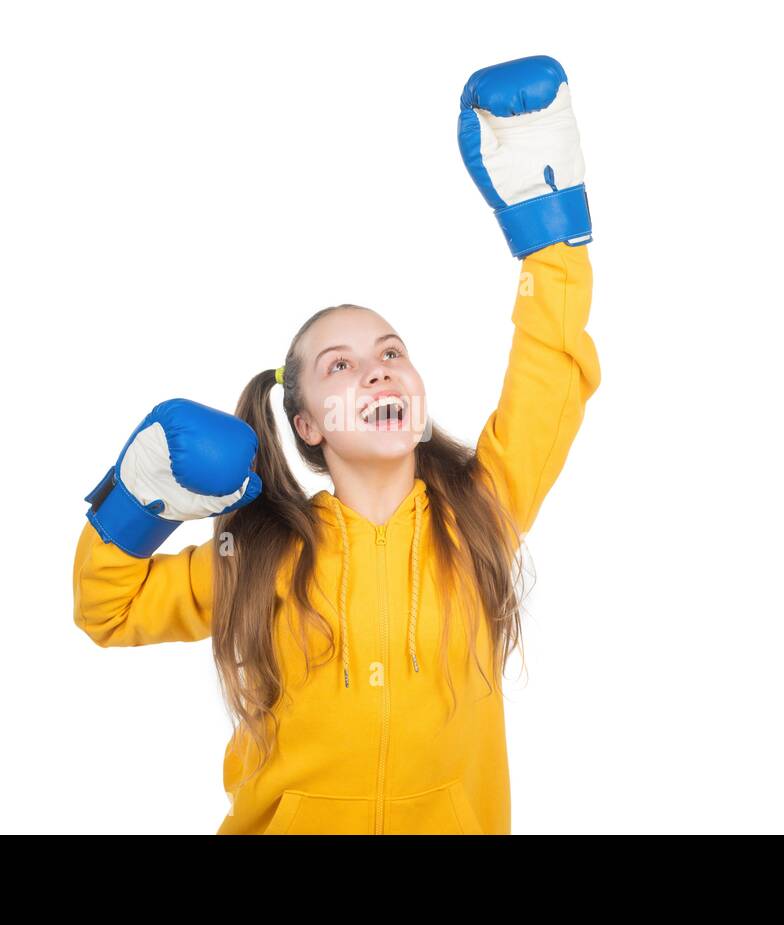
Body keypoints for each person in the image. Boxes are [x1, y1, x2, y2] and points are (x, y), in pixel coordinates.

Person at [71, 54, 601, 835]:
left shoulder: (484, 510)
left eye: (392, 353)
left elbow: (552, 371)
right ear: (309, 423)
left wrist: (549, 237)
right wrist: (141, 493)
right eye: (342, 365)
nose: (379, 372)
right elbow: (106, 610)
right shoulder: (260, 555)